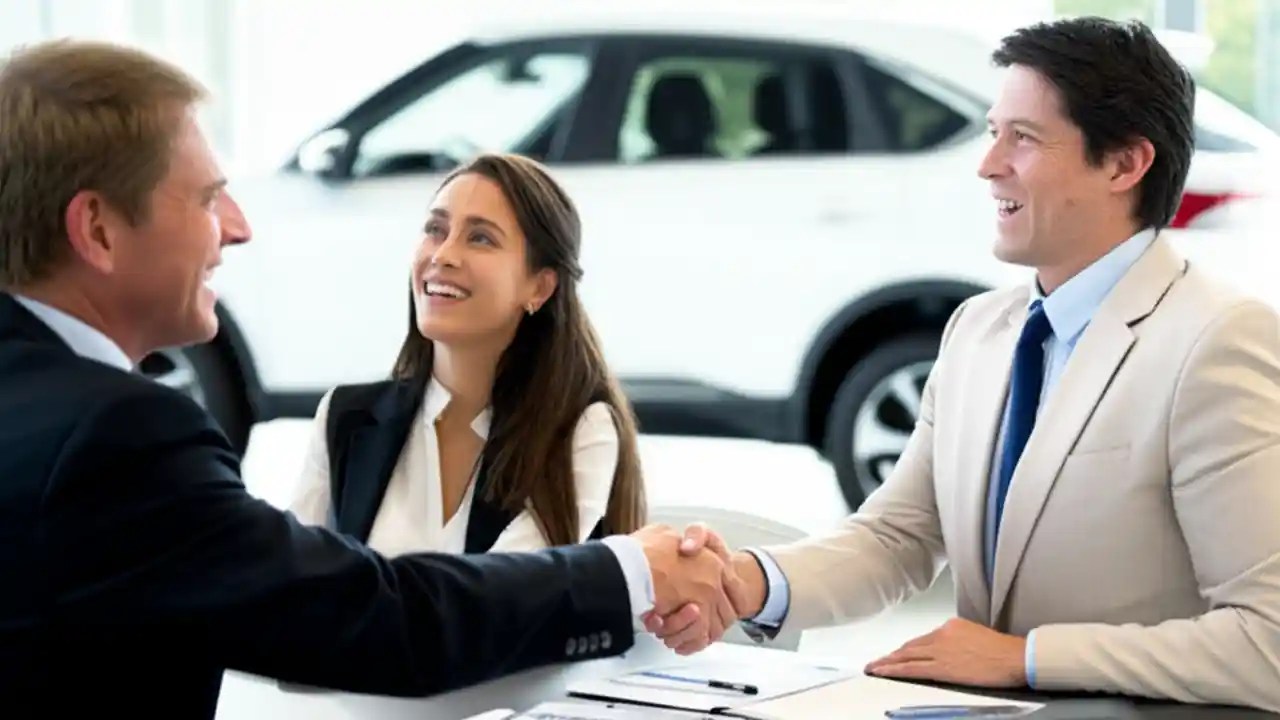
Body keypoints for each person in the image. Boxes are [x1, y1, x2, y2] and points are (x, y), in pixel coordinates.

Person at [0, 39, 735, 718]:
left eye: (479, 238)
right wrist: (630, 573)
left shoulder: (56, 410)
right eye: (205, 197)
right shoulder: (121, 437)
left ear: (541, 285)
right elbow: (372, 619)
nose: (238, 225)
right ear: (96, 230)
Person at [660, 17, 1280, 713]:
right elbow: (900, 535)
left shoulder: (1218, 341)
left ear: (1124, 164)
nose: (988, 165)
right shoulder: (979, 331)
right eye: (993, 133)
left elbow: (1268, 644)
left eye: (1024, 138)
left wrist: (1028, 656)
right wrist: (752, 580)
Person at [289, 153, 645, 558]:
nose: (443, 255)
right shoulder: (343, 418)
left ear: (540, 288)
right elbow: (295, 586)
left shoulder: (579, 430)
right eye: (435, 229)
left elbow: (514, 592)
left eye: (480, 238)